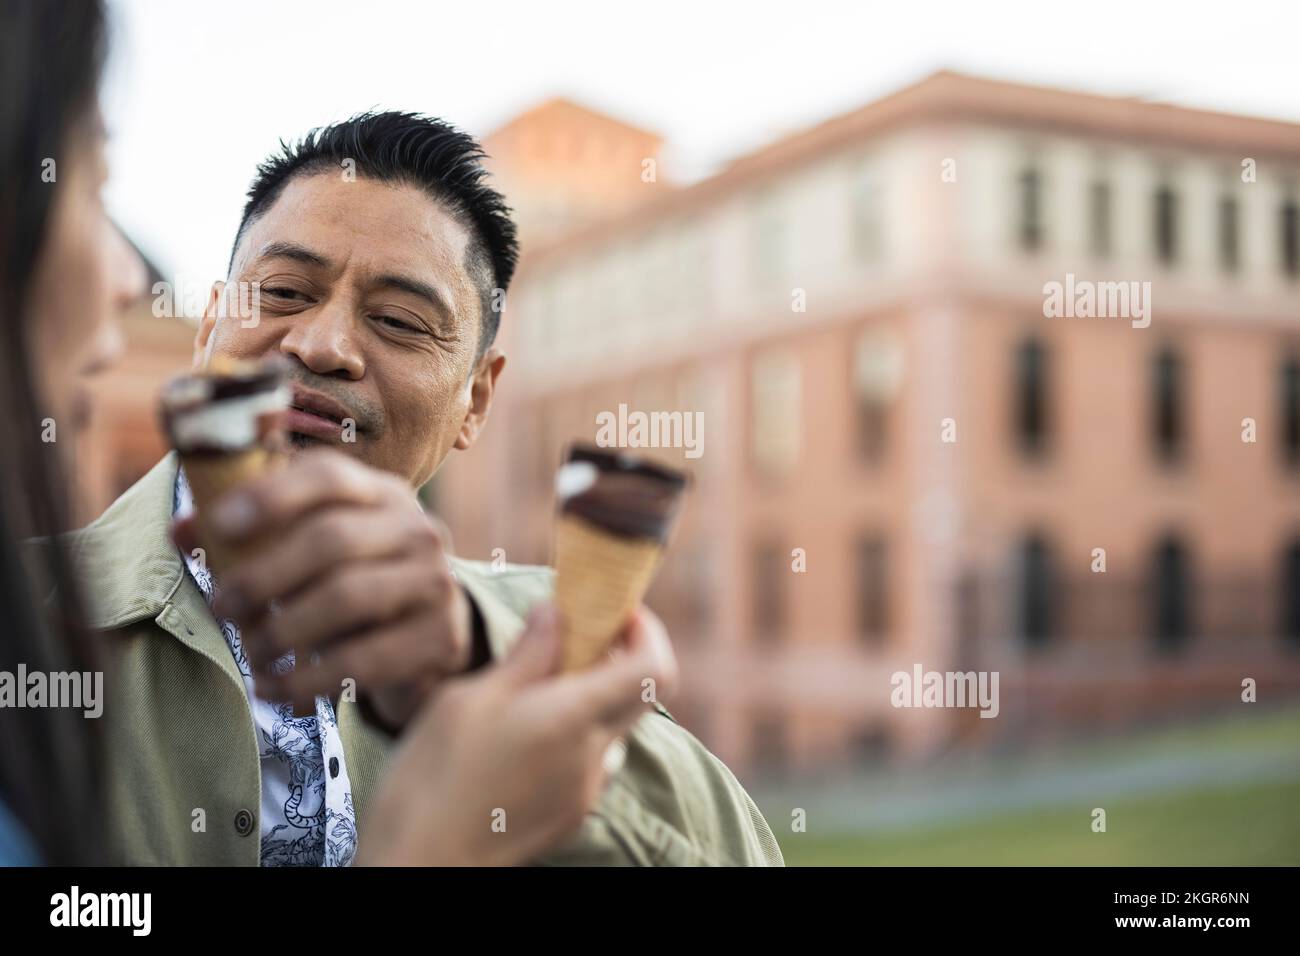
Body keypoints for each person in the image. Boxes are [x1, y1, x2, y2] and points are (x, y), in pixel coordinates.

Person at [0, 0, 697, 869]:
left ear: (478, 400)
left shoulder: (543, 644)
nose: (322, 345)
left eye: (401, 321)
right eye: (284, 293)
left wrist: (487, 680)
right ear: (210, 326)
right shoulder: (27, 622)